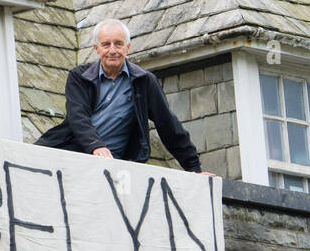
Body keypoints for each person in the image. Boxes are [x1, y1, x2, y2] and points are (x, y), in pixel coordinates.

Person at [36, 19, 202, 171]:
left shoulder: (144, 81)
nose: (112, 50)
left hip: (114, 165)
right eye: (106, 44)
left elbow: (168, 126)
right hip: (71, 152)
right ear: (97, 48)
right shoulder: (79, 77)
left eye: (118, 44)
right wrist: (96, 146)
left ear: (127, 48)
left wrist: (194, 169)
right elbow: (78, 117)